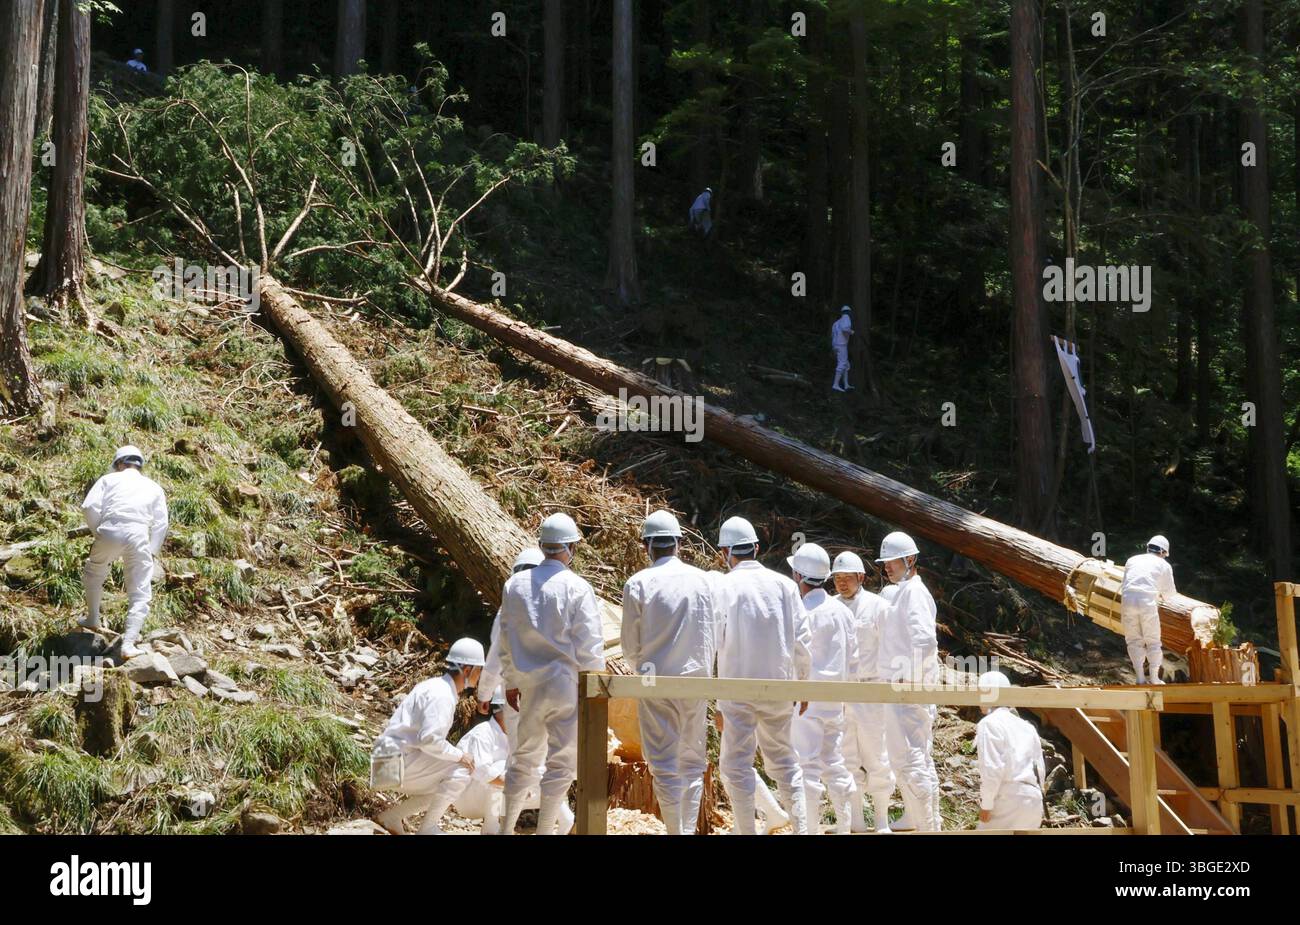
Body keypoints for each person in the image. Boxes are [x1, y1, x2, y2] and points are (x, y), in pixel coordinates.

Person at [497, 512, 605, 835]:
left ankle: (505, 830)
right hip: (564, 685)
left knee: (524, 758)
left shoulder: (514, 586)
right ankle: (545, 831)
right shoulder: (577, 588)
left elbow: (506, 637)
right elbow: (590, 646)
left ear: (542, 546)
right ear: (570, 548)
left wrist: (511, 680)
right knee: (562, 762)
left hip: (529, 685)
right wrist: (595, 684)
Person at [713, 515, 813, 835]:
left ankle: (746, 831)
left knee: (736, 765)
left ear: (724, 552)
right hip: (778, 687)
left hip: (737, 688)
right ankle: (801, 829)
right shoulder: (785, 585)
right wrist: (803, 684)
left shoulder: (723, 586)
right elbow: (803, 640)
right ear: (756, 547)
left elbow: (713, 640)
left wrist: (716, 698)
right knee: (785, 763)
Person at [621, 510, 717, 834]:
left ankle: (676, 831)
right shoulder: (702, 580)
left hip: (654, 680)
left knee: (662, 764)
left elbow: (630, 646)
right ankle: (686, 832)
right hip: (695, 680)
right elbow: (711, 633)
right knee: (692, 761)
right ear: (679, 543)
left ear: (647, 545)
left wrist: (642, 671)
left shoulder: (638, 583)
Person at [373, 637, 486, 835]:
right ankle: (427, 828)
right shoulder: (442, 695)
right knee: (462, 768)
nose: (480, 676)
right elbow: (429, 740)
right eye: (479, 670)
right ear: (467, 669)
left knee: (443, 785)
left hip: (387, 762)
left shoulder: (435, 686)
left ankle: (391, 817)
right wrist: (461, 755)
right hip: (392, 764)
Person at [788, 543, 858, 834]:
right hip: (835, 700)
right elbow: (853, 658)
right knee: (834, 763)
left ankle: (811, 829)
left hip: (807, 700)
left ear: (798, 576)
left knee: (808, 766)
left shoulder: (802, 612)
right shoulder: (840, 611)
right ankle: (845, 827)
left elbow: (795, 656)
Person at [876, 531, 941, 832]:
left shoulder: (913, 592)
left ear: (910, 559)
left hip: (908, 690)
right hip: (905, 687)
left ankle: (927, 827)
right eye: (885, 562)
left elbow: (925, 641)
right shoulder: (906, 591)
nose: (887, 566)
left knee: (910, 759)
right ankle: (923, 821)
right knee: (916, 758)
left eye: (892, 561)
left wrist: (907, 678)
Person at [79, 445, 169, 659]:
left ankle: (92, 618)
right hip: (139, 534)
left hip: (110, 528)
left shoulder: (108, 479)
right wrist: (153, 550)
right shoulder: (153, 486)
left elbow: (89, 507)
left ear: (119, 463)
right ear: (140, 465)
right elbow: (161, 523)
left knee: (94, 571)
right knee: (139, 589)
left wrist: (98, 531)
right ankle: (128, 644)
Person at [832, 550, 895, 833]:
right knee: (846, 755)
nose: (842, 583)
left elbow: (892, 647)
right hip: (842, 691)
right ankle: (855, 820)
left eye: (847, 577)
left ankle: (881, 820)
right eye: (837, 577)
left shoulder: (878, 606)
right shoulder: (830, 606)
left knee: (876, 753)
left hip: (871, 689)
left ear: (861, 577)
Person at [448, 688, 564, 835]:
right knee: (502, 769)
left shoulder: (514, 734)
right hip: (468, 796)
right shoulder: (483, 733)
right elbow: (484, 773)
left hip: (493, 792)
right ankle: (491, 828)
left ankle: (565, 822)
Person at [478, 546, 547, 733]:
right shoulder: (553, 603)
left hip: (517, 694)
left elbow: (497, 656)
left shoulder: (509, 608)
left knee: (521, 754)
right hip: (553, 692)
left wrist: (485, 693)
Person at [974, 671, 1045, 830]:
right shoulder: (1026, 726)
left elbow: (992, 767)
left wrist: (986, 804)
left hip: (1008, 797)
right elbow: (1040, 768)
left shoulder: (989, 723)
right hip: (1033, 799)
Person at [1119, 535, 1176, 685]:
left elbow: (1125, 583)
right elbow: (1169, 594)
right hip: (1147, 602)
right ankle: (1155, 678)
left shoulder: (1132, 560)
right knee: (1153, 641)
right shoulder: (1164, 565)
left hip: (1127, 601)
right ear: (1163, 552)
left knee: (1133, 640)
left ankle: (1139, 678)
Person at [831, 306, 854, 392]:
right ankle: (835, 384)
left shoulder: (836, 323)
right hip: (842, 345)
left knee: (846, 365)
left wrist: (833, 347)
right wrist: (851, 332)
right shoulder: (846, 317)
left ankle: (846, 384)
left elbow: (833, 335)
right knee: (842, 363)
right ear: (848, 312)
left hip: (836, 345)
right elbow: (845, 329)